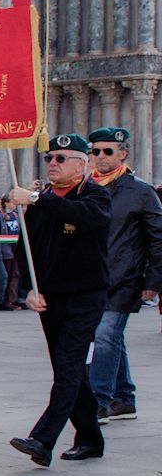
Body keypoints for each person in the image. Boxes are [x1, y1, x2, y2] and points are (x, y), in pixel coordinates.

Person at [6, 135, 112, 466]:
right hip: (50, 297)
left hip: (85, 296)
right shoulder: (43, 201)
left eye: (62, 159)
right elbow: (25, 248)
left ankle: (43, 439)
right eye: (50, 158)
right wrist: (29, 288)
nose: (53, 163)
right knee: (69, 369)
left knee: (67, 367)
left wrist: (35, 198)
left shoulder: (95, 195)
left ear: (83, 164)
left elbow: (86, 217)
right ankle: (91, 438)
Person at [84, 125, 162, 422]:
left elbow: (158, 239)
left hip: (125, 278)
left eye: (107, 152)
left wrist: (154, 282)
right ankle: (124, 397)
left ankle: (99, 399)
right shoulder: (85, 188)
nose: (100, 157)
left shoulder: (141, 192)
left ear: (123, 153)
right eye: (95, 151)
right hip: (92, 278)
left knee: (105, 335)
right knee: (110, 337)